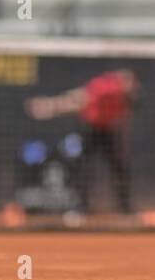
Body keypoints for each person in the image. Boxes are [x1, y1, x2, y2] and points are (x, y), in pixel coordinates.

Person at [25, 69, 137, 215]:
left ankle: (125, 209)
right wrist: (51, 106)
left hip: (109, 130)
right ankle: (81, 207)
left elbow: (124, 118)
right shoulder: (104, 87)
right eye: (128, 82)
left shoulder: (130, 96)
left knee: (120, 168)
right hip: (91, 129)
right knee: (84, 169)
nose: (131, 86)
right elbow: (77, 99)